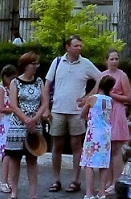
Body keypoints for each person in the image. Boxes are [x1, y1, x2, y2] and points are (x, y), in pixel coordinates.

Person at [43, 35, 102, 192]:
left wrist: (88, 97)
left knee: (77, 145)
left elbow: (102, 78)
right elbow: (47, 85)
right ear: (67, 47)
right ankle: (56, 179)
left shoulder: (86, 63)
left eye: (80, 45)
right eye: (75, 45)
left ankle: (75, 180)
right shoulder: (57, 63)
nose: (79, 48)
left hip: (76, 112)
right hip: (57, 110)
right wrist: (46, 107)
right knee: (57, 146)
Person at [7, 53, 46, 199]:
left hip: (35, 126)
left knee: (32, 159)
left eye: (37, 63)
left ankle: (33, 193)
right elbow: (13, 104)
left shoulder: (39, 81)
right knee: (15, 159)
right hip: (17, 125)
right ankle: (14, 190)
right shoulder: (15, 83)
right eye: (34, 63)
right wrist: (26, 119)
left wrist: (35, 119)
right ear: (26, 65)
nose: (37, 66)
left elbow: (44, 102)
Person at [77, 75, 115, 199]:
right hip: (106, 133)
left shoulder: (92, 98)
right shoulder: (110, 101)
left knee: (89, 162)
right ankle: (102, 191)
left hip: (93, 133)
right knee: (104, 162)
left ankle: (89, 192)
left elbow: (83, 113)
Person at [101, 50, 131, 171]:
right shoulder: (102, 75)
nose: (114, 61)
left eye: (116, 59)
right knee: (106, 148)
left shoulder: (122, 75)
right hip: (105, 112)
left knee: (116, 149)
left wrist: (113, 95)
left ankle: (116, 181)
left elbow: (128, 98)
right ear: (106, 60)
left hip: (117, 111)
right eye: (111, 59)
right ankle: (107, 181)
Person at [0, 65, 18, 196]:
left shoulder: (10, 89)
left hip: (10, 123)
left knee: (10, 152)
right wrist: (15, 109)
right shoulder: (1, 89)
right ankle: (3, 180)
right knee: (6, 153)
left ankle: (7, 179)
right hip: (3, 124)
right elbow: (2, 108)